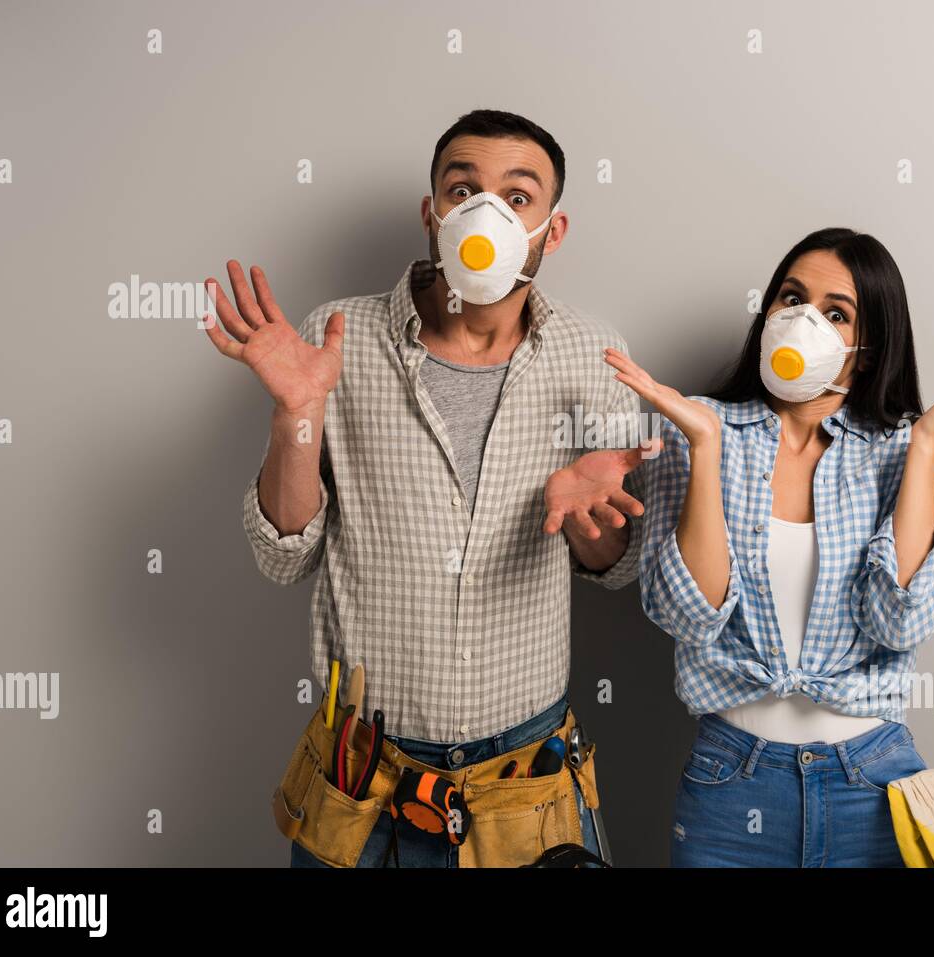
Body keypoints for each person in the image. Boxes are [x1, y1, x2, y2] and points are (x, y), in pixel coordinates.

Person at [203, 110, 651, 867]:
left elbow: (617, 565)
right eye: (462, 188)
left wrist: (587, 520)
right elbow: (282, 554)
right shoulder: (338, 336)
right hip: (364, 779)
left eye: (517, 197)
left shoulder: (590, 355)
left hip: (525, 781)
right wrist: (298, 415)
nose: (487, 212)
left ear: (553, 228)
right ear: (432, 213)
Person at [608, 227, 934, 867]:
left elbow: (901, 620)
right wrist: (704, 449)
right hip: (732, 783)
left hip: (875, 783)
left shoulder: (907, 449)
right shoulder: (694, 424)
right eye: (791, 299)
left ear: (865, 353)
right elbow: (687, 616)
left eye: (835, 313)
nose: (802, 321)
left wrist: (926, 445)